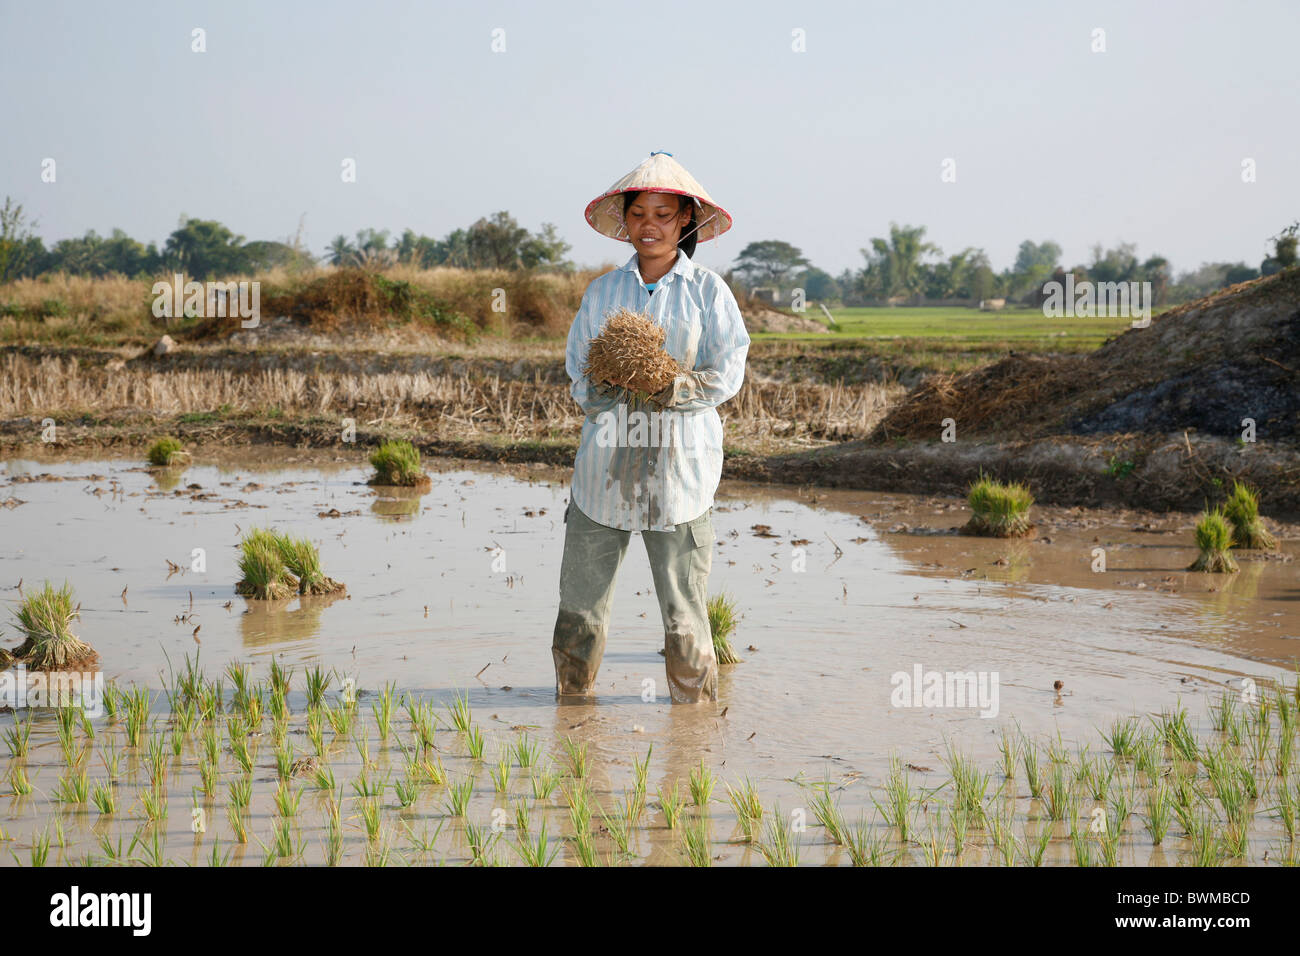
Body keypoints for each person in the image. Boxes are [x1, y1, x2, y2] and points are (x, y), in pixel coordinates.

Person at [552, 151, 749, 704]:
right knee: (580, 611)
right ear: (626, 220)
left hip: (680, 473)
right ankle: (572, 713)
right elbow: (579, 378)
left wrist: (672, 386)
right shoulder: (602, 294)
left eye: (663, 214)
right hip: (604, 471)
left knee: (685, 615)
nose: (650, 226)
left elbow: (728, 370)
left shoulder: (708, 292)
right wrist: (612, 382)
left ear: (686, 219)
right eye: (639, 214)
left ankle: (693, 725)